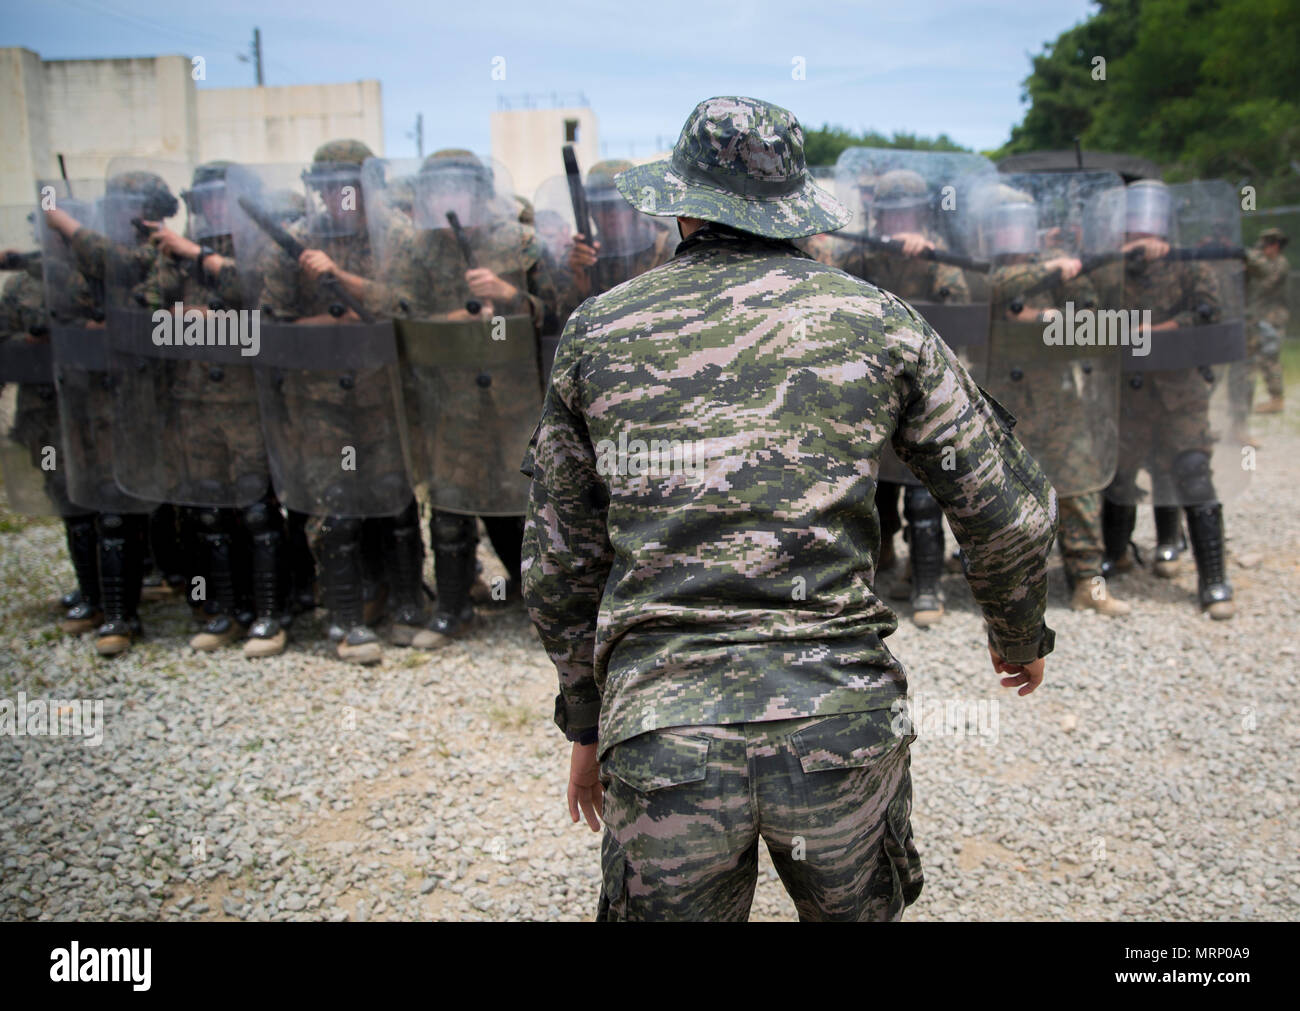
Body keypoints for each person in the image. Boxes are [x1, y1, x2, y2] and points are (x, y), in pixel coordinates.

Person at [521, 96, 1058, 922]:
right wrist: (1016, 633)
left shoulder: (596, 330)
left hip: (665, 732)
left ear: (685, 202)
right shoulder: (877, 318)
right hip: (838, 724)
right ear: (796, 207)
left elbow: (560, 556)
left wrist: (587, 720)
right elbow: (1005, 507)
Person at [1246, 226, 1289, 416]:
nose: (1266, 248)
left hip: (1273, 319)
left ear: (1276, 246)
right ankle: (1270, 398)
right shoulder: (1261, 263)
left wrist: (1250, 257)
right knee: (1256, 359)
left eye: (1270, 244)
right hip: (1258, 317)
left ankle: (1276, 399)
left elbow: (1267, 279)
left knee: (1270, 359)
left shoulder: (1280, 264)